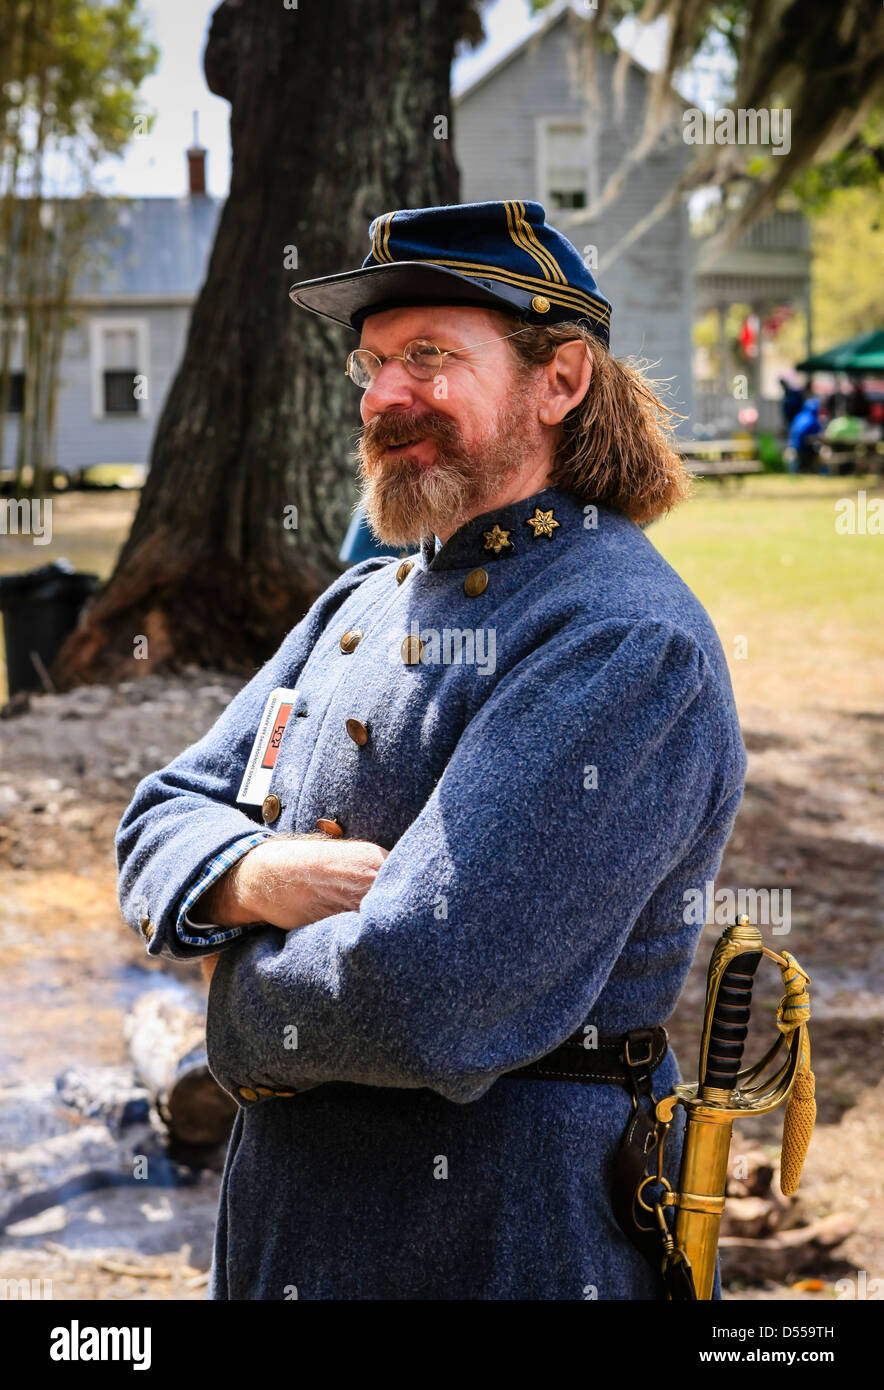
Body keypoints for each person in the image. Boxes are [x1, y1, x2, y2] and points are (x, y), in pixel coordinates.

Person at [116, 200, 746, 1300]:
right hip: (287, 1235)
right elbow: (158, 816)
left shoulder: (619, 637)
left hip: (493, 1243)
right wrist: (260, 876)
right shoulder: (360, 598)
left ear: (560, 382)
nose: (384, 397)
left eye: (429, 357)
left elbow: (428, 998)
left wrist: (229, 994)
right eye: (371, 364)